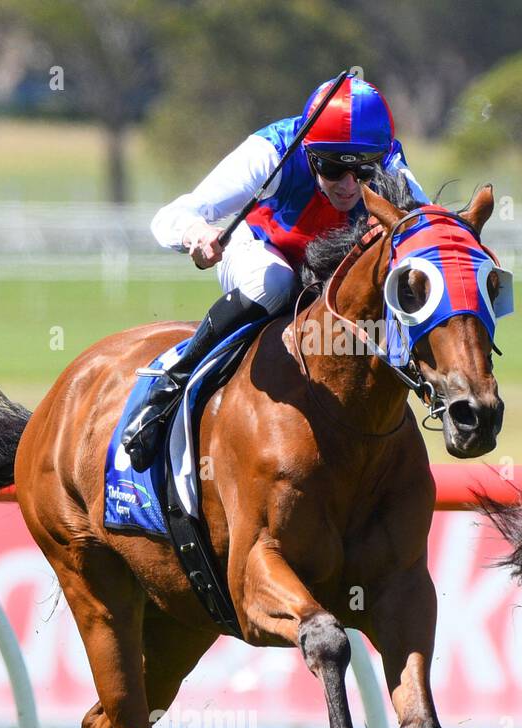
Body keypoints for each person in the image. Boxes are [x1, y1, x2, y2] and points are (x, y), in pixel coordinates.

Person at [121, 72, 429, 470]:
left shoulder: (389, 160)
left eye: (365, 171)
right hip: (264, 255)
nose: (350, 185)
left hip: (335, 271)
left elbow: (423, 232)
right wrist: (197, 235)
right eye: (334, 168)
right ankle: (171, 384)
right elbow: (173, 215)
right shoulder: (272, 149)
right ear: (310, 152)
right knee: (277, 283)